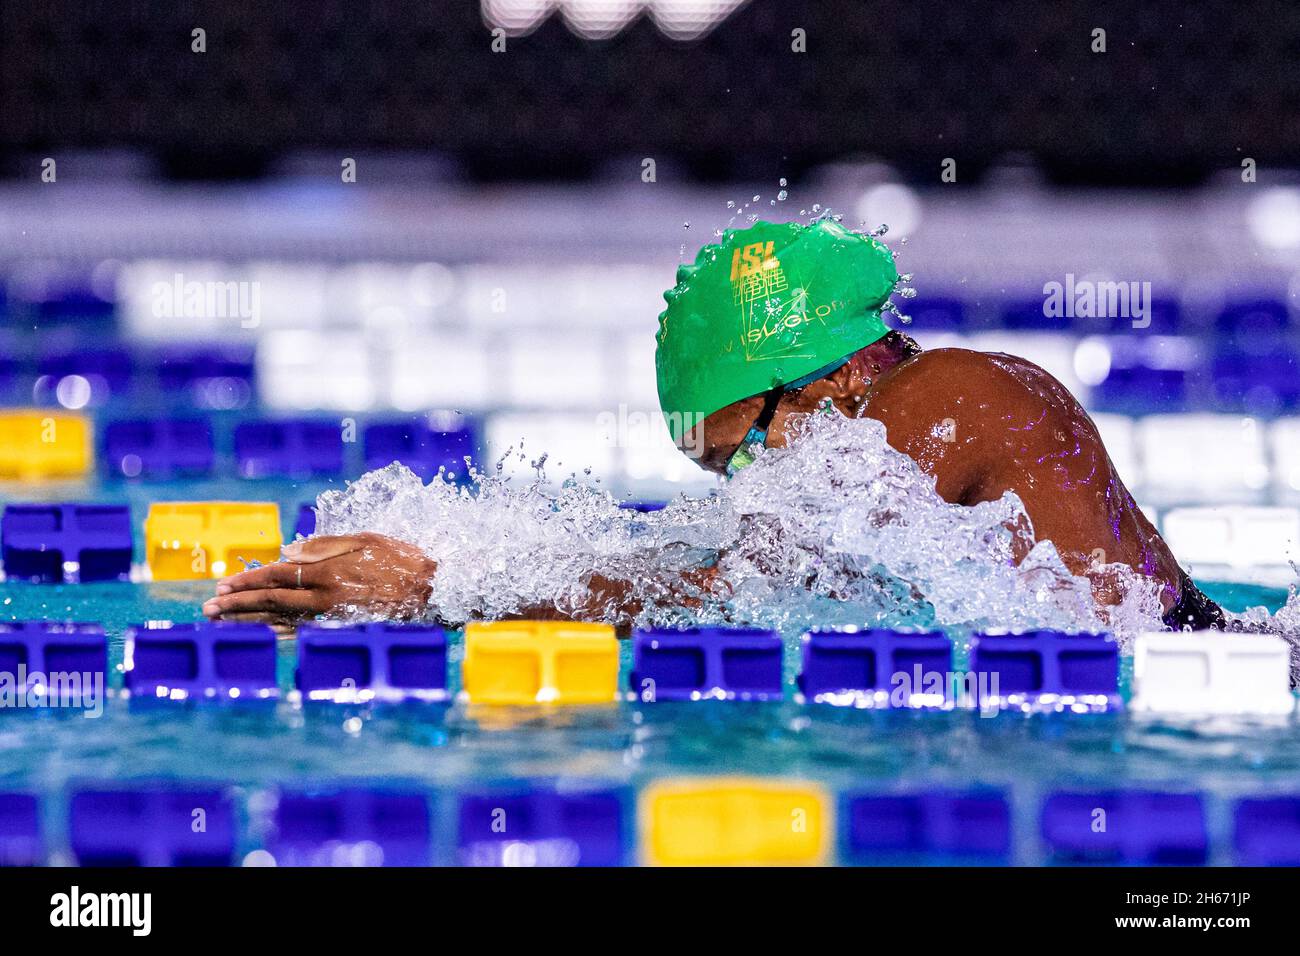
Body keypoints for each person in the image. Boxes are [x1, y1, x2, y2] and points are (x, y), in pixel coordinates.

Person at [202, 219, 1224, 632]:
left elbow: (744, 588)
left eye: (745, 448)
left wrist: (439, 588)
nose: (750, 482)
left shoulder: (940, 398)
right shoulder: (912, 422)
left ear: (826, 379)